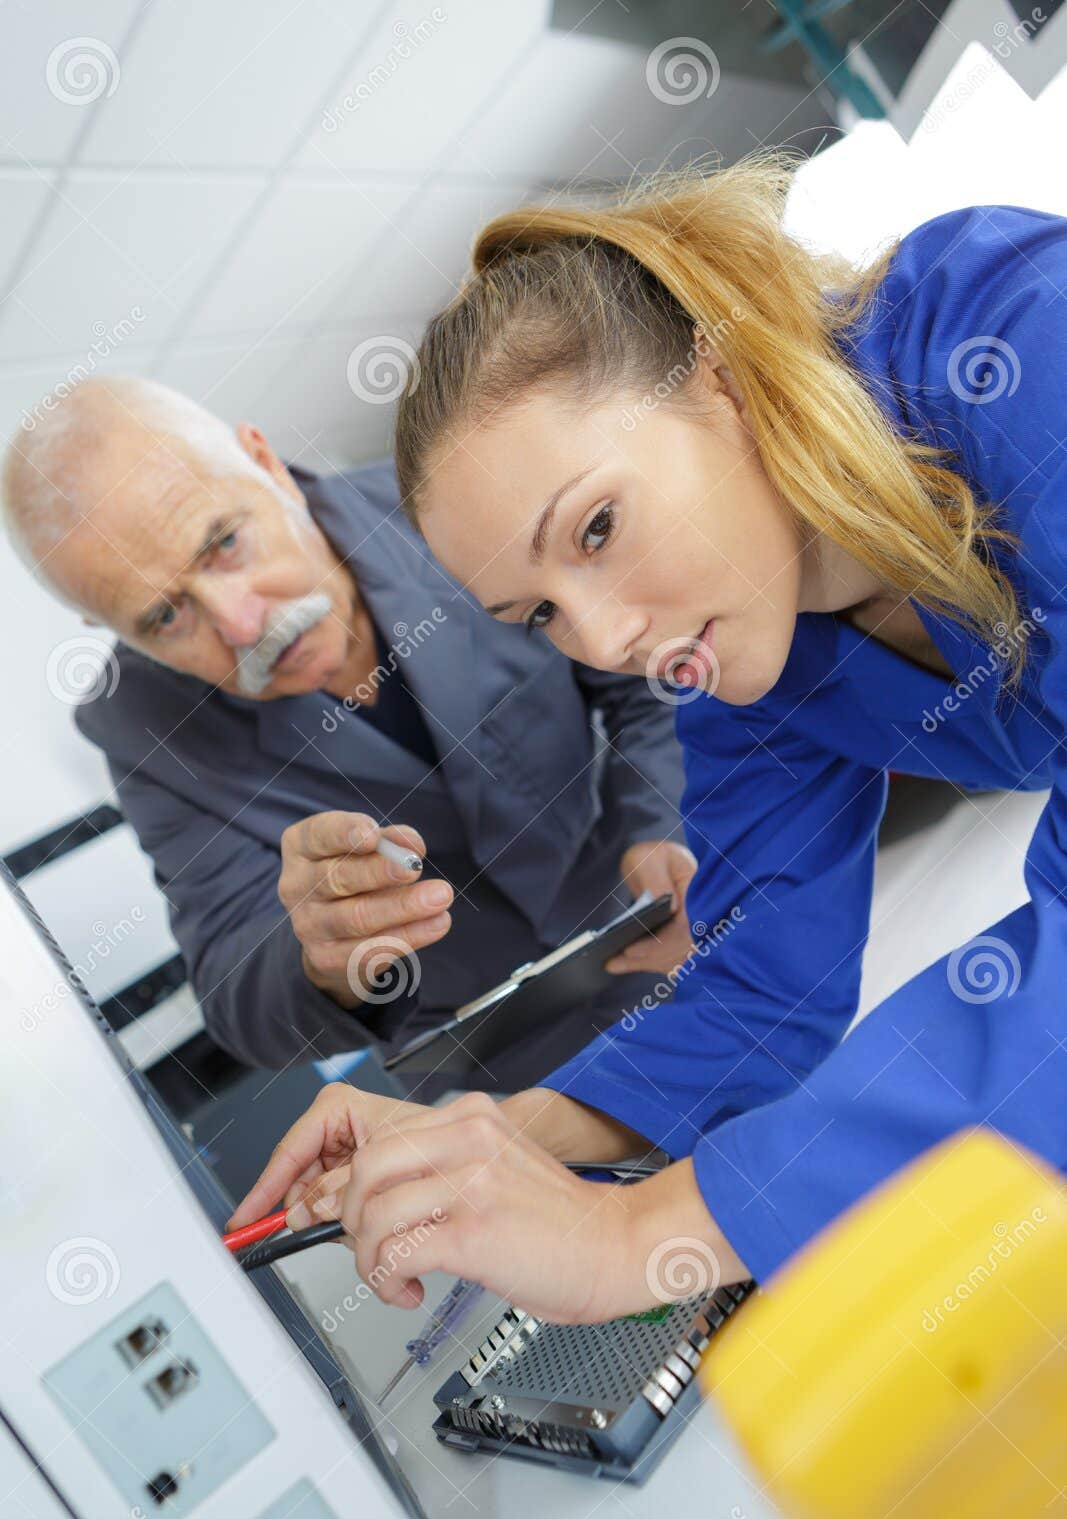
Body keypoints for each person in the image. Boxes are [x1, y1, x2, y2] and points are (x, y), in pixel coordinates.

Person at [231, 159, 1067, 1322]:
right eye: (539, 614)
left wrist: (635, 1235)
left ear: (717, 376)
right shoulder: (742, 668)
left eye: (597, 528)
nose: (607, 638)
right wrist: (487, 1144)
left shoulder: (1018, 340)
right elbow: (757, 990)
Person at [1, 378, 694, 1082]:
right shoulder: (139, 726)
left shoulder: (444, 504)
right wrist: (319, 956)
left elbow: (640, 677)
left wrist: (658, 822)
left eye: (225, 543)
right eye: (164, 617)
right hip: (498, 1046)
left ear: (265, 464)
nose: (243, 624)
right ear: (110, 629)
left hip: (656, 913)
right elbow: (234, 995)